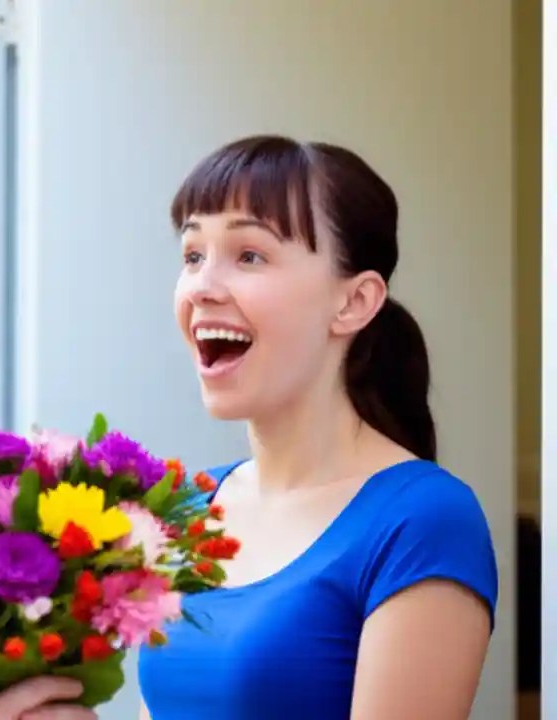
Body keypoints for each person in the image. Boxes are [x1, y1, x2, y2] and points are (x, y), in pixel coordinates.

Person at [136, 135, 498, 718]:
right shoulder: (187, 507)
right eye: (193, 255)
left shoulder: (422, 521)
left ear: (354, 302)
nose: (201, 287)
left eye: (249, 255)